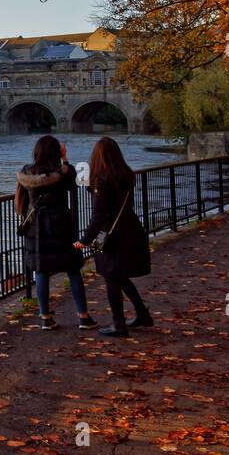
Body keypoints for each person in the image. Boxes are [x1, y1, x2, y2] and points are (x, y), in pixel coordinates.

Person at [74, 136, 152, 337]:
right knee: (120, 276)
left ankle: (119, 324)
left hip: (113, 235)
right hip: (130, 228)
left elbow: (98, 216)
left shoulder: (102, 180)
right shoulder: (126, 174)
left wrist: (84, 240)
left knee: (111, 277)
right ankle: (142, 314)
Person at [16, 134, 95, 330]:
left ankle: (44, 317)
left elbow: (21, 202)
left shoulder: (26, 173)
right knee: (73, 269)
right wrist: (65, 158)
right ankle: (83, 316)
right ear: (55, 153)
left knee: (41, 271)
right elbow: (73, 180)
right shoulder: (62, 172)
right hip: (61, 225)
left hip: (37, 226)